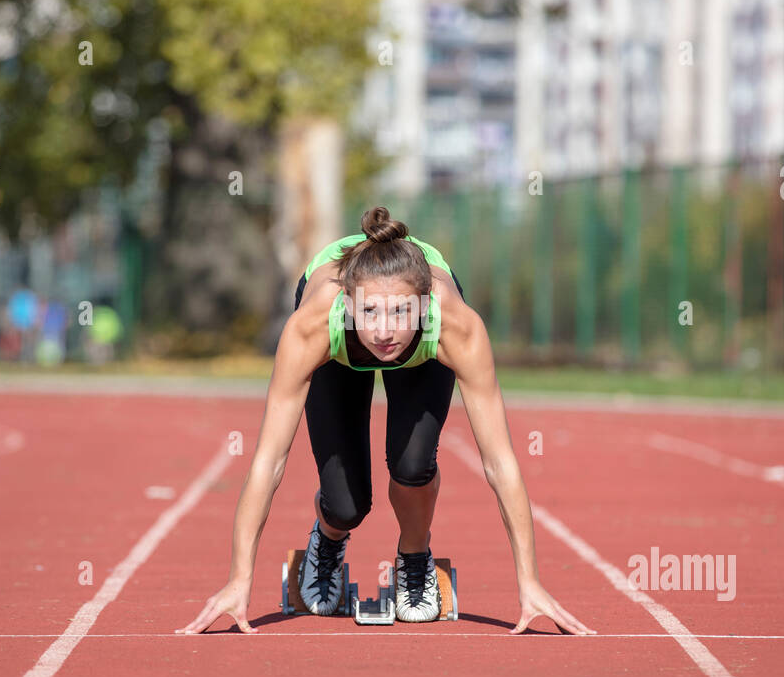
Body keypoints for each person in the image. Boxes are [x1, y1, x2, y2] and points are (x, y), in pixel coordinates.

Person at [178, 206, 594, 635]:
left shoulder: (455, 327)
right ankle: (327, 541)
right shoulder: (314, 325)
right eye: (370, 312)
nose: (383, 331)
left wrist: (530, 582)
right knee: (347, 504)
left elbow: (499, 462)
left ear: (425, 303)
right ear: (347, 303)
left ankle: (414, 556)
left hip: (423, 341)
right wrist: (239, 578)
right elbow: (270, 459)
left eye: (400, 313)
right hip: (336, 346)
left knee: (412, 465)